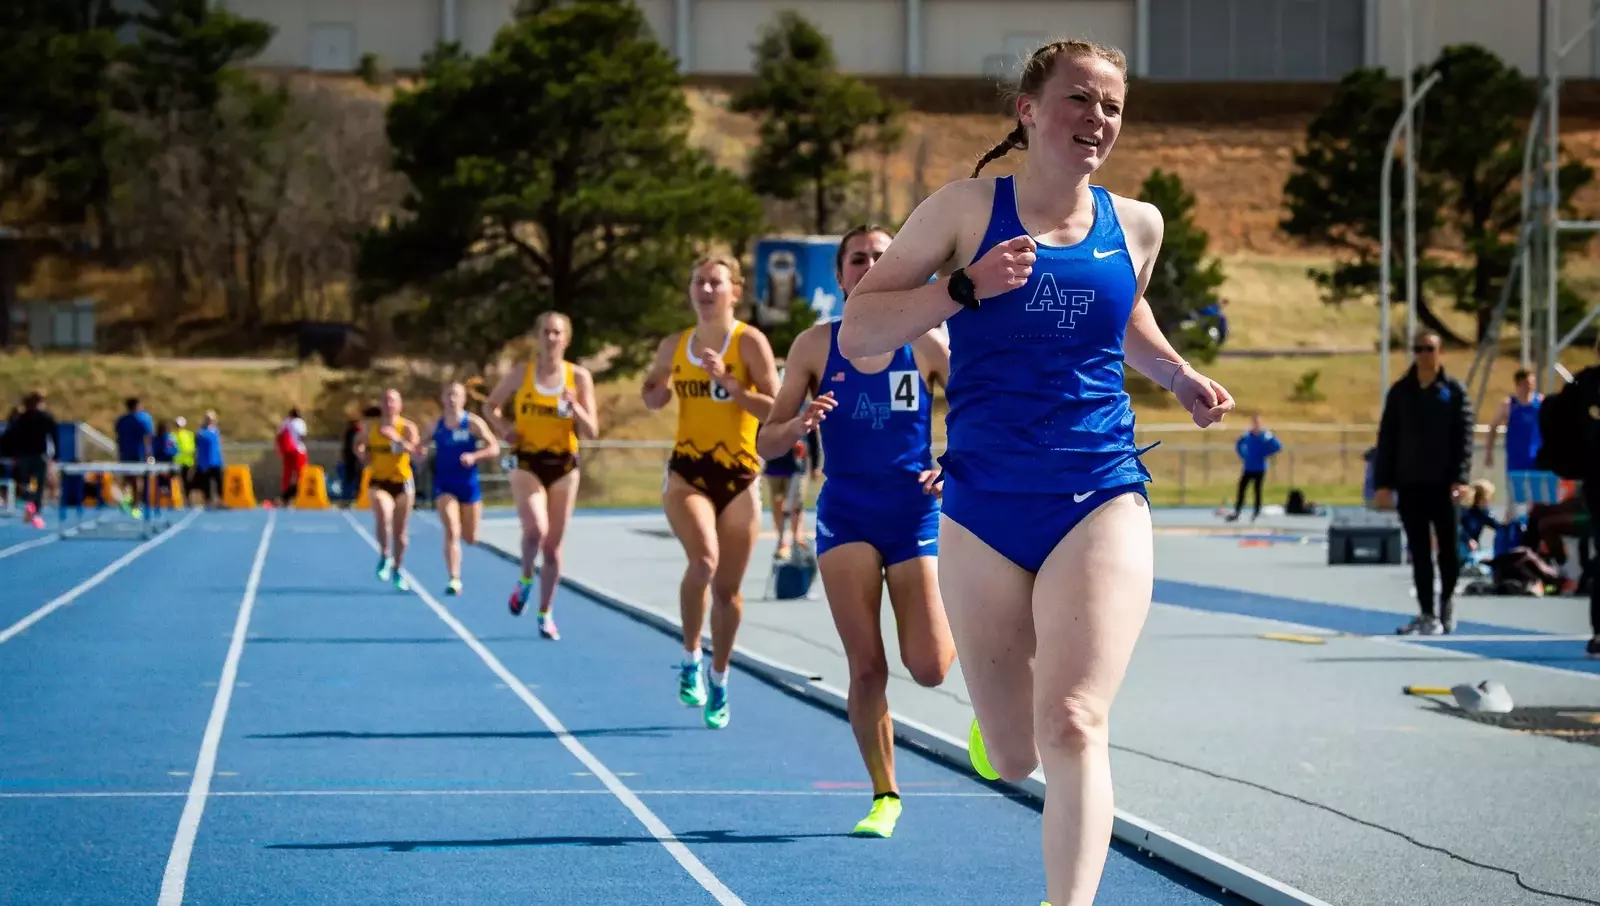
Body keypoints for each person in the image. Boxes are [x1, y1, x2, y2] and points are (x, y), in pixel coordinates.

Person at [836, 39, 1234, 906]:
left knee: (1074, 721)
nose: (1097, 120)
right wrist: (962, 289)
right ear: (1027, 109)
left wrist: (1179, 376)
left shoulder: (1138, 224)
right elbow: (860, 338)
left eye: (1112, 107)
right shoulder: (966, 210)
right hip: (982, 505)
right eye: (1079, 100)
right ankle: (997, 732)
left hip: (1100, 490)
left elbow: (1127, 317)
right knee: (1015, 755)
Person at [758, 223, 955, 839]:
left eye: (881, 255)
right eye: (858, 259)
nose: (870, 265)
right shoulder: (816, 347)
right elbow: (767, 438)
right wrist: (799, 424)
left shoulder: (926, 342)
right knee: (866, 667)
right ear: (841, 275)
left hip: (912, 511)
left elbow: (984, 405)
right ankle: (885, 795)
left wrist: (954, 460)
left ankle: (989, 667)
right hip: (845, 512)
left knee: (929, 667)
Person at [640, 256, 780, 730]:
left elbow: (775, 408)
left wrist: (731, 385)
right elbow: (653, 391)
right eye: (697, 281)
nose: (704, 289)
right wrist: (654, 391)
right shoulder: (675, 345)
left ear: (734, 291)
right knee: (703, 561)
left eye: (714, 282)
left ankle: (719, 677)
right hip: (689, 472)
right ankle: (689, 657)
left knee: (728, 591)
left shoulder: (749, 342)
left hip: (739, 474)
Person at [486, 312, 598, 637]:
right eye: (546, 332)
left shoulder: (578, 377)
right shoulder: (522, 374)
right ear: (537, 337)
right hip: (527, 461)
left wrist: (575, 408)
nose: (551, 339)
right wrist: (505, 429)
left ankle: (545, 613)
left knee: (552, 547)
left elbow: (591, 431)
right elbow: (489, 406)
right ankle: (524, 579)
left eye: (557, 333)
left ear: (567, 339)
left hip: (563, 465)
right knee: (536, 530)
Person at [1373, 331, 1473, 635]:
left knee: (1449, 551)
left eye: (1429, 349)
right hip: (1411, 482)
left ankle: (1447, 600)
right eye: (1417, 349)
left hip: (1444, 485)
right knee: (1419, 550)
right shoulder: (1401, 392)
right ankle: (1427, 612)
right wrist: (1383, 484)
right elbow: (1387, 438)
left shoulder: (1453, 391)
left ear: (1439, 352)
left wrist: (1461, 479)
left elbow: (1465, 437)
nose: (1423, 354)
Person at [430, 382, 501, 595]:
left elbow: (494, 447)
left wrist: (474, 456)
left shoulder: (472, 423)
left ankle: (461, 546)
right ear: (443, 398)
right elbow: (420, 447)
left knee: (470, 537)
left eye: (456, 395)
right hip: (445, 485)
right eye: (448, 394)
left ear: (463, 400)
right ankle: (454, 579)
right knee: (452, 530)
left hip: (469, 485)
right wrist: (417, 452)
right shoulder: (436, 425)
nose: (452, 399)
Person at [356, 389, 422, 591]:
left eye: (393, 401)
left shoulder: (408, 427)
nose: (388, 404)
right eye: (385, 400)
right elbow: (358, 446)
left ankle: (398, 569)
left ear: (400, 405)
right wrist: (362, 455)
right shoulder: (372, 428)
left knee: (400, 533)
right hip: (379, 481)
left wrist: (396, 439)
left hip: (402, 483)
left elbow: (418, 454)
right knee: (383, 514)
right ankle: (385, 555)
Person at [1485, 368, 1556, 511]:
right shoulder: (1508, 404)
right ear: (1518, 384)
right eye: (1525, 384)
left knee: (1537, 502)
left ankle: (1532, 528)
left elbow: (1553, 427)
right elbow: (1493, 428)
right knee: (1513, 501)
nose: (1529, 387)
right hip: (1516, 458)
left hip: (1536, 459)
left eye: (1531, 383)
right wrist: (1489, 452)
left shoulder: (1540, 402)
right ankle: (1511, 526)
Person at [761, 426, 819, 560]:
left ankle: (797, 538)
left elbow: (813, 434)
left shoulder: (804, 406)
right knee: (778, 503)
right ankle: (782, 540)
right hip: (775, 463)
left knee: (797, 504)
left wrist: (815, 464)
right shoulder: (772, 406)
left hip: (798, 464)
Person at [3, 391, 58, 528]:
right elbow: (54, 436)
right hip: (38, 456)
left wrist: (11, 454)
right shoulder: (45, 417)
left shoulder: (20, 419)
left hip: (23, 457)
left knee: (26, 483)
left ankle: (29, 502)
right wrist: (55, 456)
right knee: (38, 485)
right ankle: (36, 512)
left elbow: (9, 437)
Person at [1227, 413, 1281, 522]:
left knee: (1257, 490)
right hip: (1248, 467)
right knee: (1242, 489)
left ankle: (1256, 512)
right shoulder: (1248, 435)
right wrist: (1243, 455)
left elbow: (1277, 446)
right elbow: (1238, 445)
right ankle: (1237, 512)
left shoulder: (1264, 436)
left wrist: (1266, 451)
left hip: (1260, 468)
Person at [113, 397, 155, 516]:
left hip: (125, 454)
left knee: (127, 479)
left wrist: (119, 454)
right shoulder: (143, 419)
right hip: (138, 454)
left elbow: (118, 438)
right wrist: (148, 455)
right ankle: (135, 505)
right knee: (137, 480)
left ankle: (126, 500)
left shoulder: (122, 420)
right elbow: (147, 438)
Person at [275, 408, 309, 507]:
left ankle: (286, 498)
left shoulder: (285, 422)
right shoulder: (299, 422)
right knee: (301, 475)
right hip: (298, 451)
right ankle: (298, 495)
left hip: (287, 452)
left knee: (287, 475)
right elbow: (303, 436)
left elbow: (279, 436)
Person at [192, 411, 225, 509]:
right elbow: (197, 445)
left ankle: (219, 500)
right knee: (206, 483)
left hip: (216, 461)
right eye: (208, 419)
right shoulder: (201, 432)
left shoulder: (216, 431)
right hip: (205, 462)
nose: (209, 421)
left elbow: (218, 446)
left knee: (219, 481)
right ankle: (208, 500)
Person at [171, 417, 196, 507]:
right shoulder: (172, 435)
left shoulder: (189, 434)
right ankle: (176, 500)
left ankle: (188, 500)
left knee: (187, 482)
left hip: (187, 462)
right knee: (175, 482)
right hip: (176, 462)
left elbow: (191, 447)